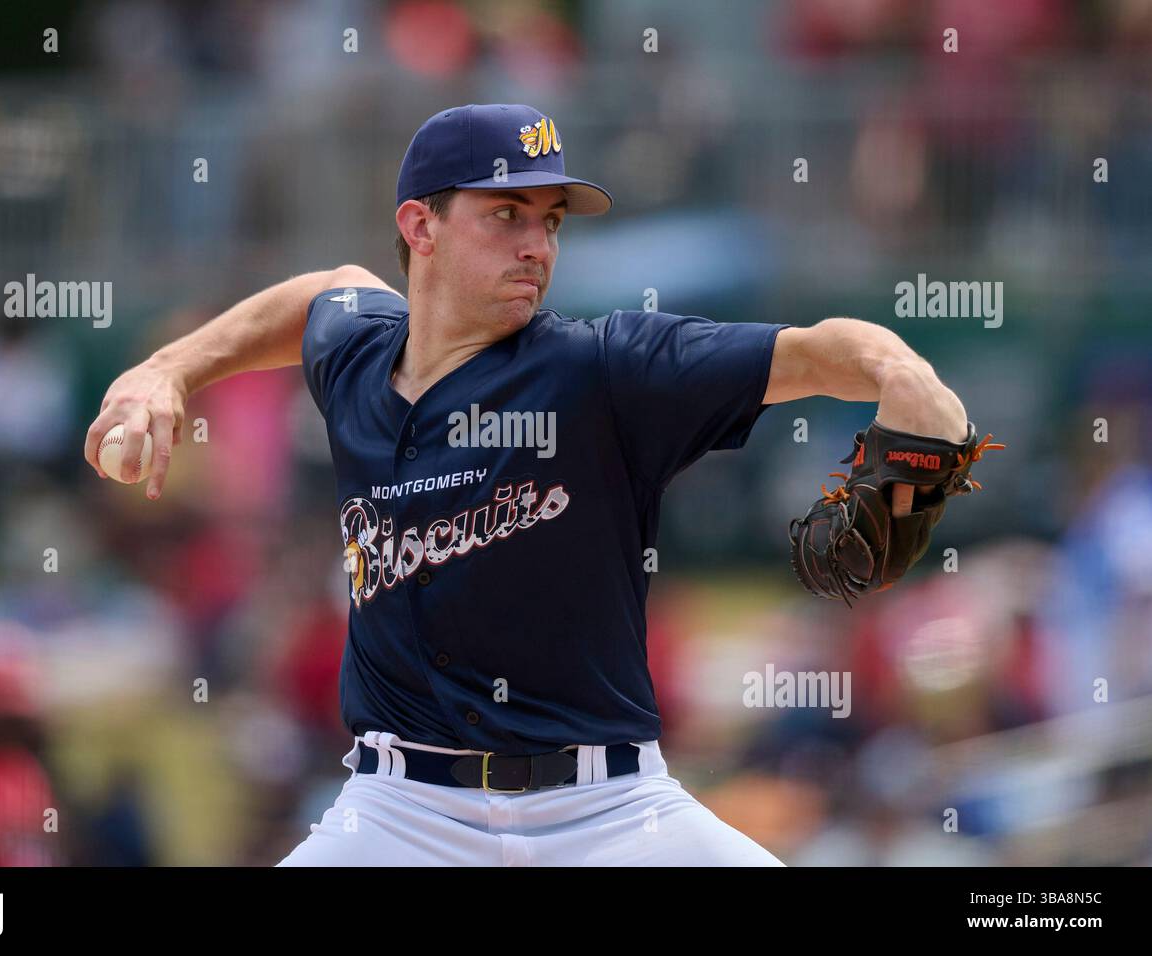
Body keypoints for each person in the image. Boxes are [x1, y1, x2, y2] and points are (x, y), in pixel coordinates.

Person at [86, 104, 968, 866]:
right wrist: (167, 370)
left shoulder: (608, 369)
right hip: (402, 814)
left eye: (551, 220)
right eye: (506, 213)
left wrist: (905, 372)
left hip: (610, 813)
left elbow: (819, 351)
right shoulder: (358, 355)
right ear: (420, 228)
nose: (537, 244)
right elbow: (320, 294)